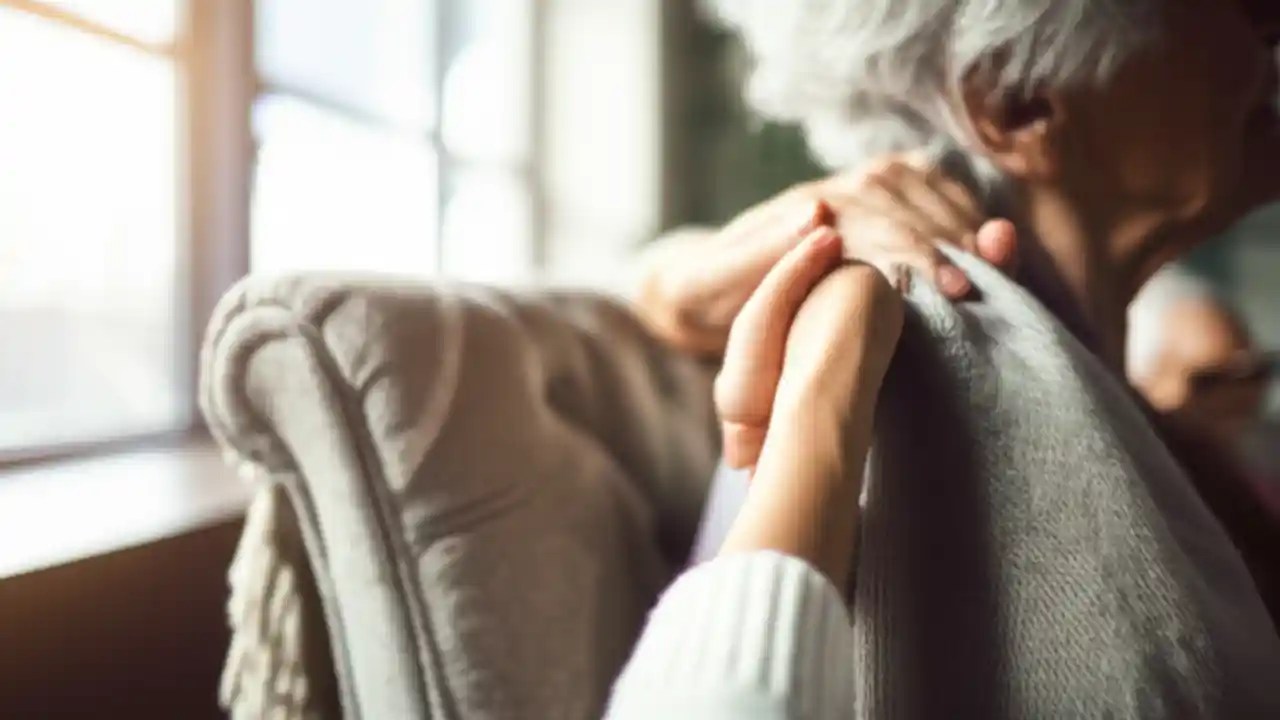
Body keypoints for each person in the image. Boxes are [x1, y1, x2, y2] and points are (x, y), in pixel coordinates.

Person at [607, 0, 1280, 716]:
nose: (1272, 22)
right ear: (1016, 106)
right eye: (1239, 8)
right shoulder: (917, 345)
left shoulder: (1089, 361)